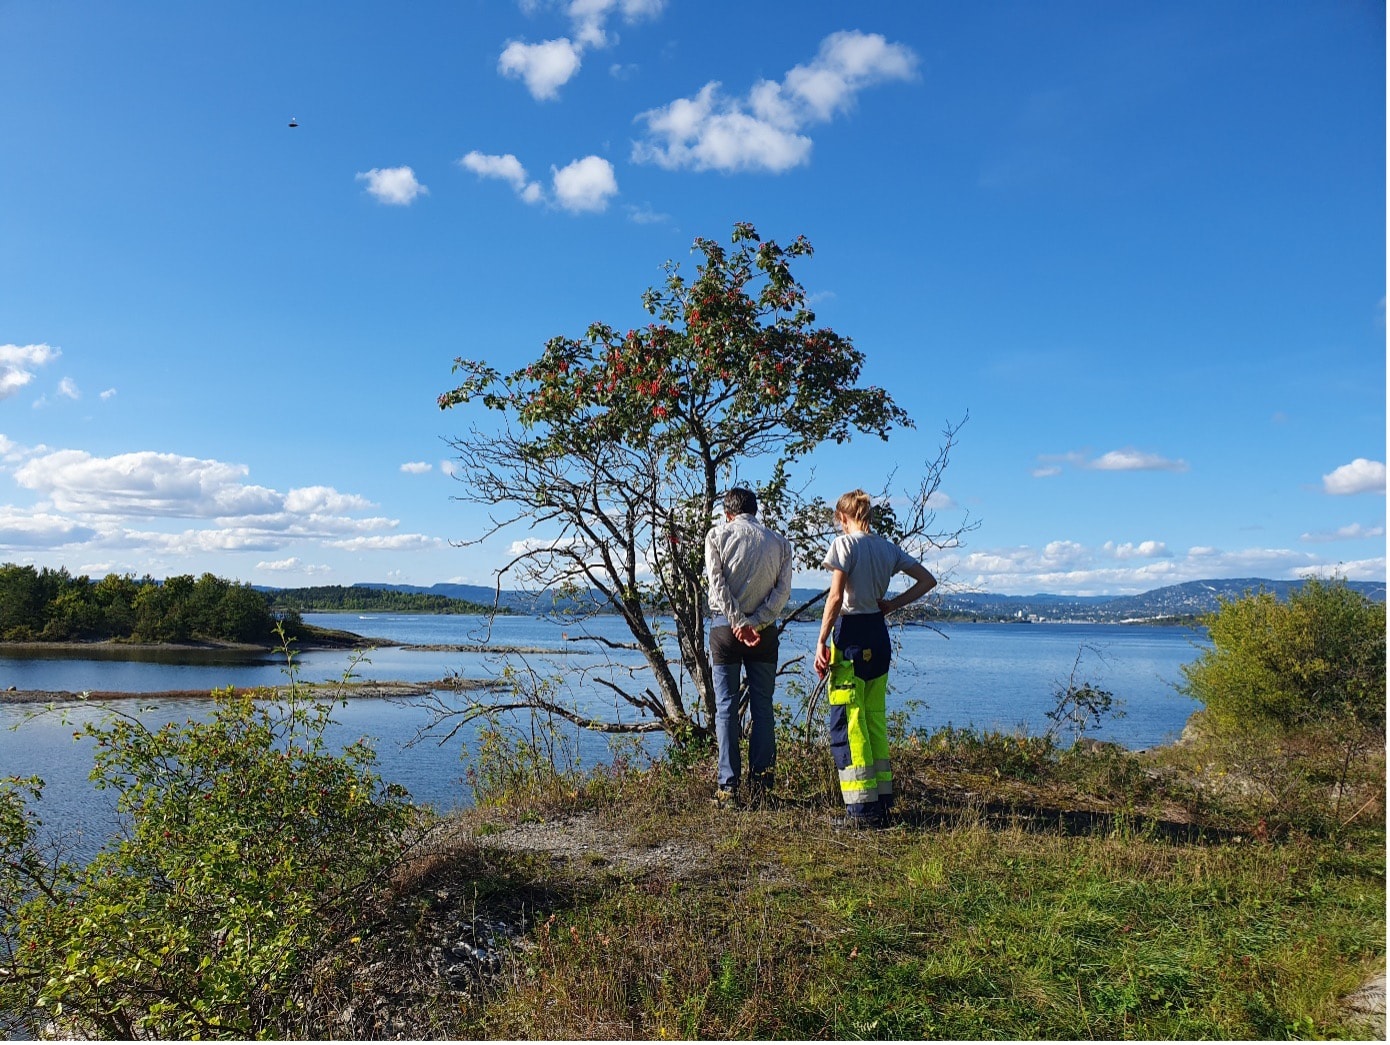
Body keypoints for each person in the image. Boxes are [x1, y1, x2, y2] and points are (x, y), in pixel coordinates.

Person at [814, 489, 937, 827]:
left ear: (842, 517)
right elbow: (928, 580)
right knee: (873, 718)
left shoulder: (844, 545)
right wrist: (893, 605)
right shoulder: (886, 547)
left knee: (849, 720)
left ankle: (860, 811)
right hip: (878, 634)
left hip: (851, 635)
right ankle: (881, 802)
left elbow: (836, 596)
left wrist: (821, 640)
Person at [704, 487, 793, 805]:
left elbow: (717, 584)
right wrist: (757, 622)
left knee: (726, 708)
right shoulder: (779, 542)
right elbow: (782, 592)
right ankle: (763, 785)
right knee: (763, 707)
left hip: (726, 631)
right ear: (754, 511)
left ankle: (728, 788)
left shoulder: (717, 536)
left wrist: (739, 622)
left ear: (728, 513)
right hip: (764, 634)